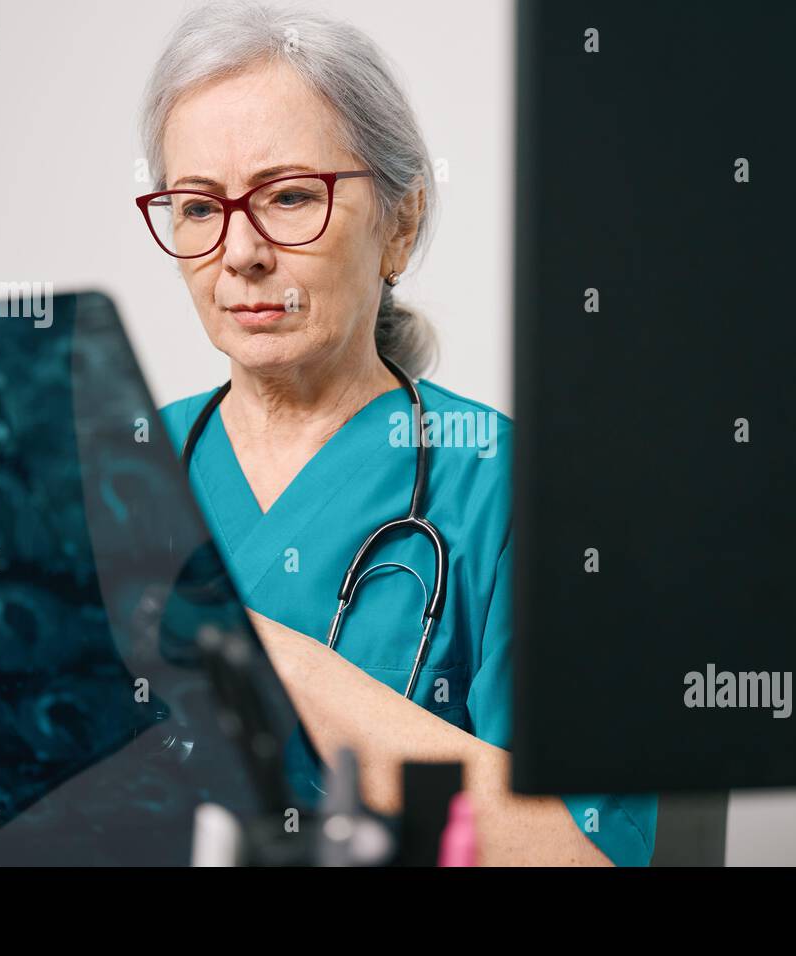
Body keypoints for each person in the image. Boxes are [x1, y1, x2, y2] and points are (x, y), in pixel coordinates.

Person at [145, 0, 656, 866]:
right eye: (199, 208)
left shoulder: (522, 489)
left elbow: (585, 851)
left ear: (402, 224)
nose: (241, 253)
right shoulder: (118, 467)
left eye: (291, 197)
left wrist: (254, 657)